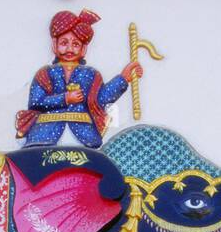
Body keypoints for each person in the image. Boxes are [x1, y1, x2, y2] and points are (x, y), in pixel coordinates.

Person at [16, 9, 142, 149]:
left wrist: (123, 78)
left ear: (83, 49)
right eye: (64, 42)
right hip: (46, 133)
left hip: (83, 133)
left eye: (75, 44)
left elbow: (100, 100)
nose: (70, 49)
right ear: (54, 44)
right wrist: (65, 98)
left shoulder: (91, 74)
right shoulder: (44, 73)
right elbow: (36, 102)